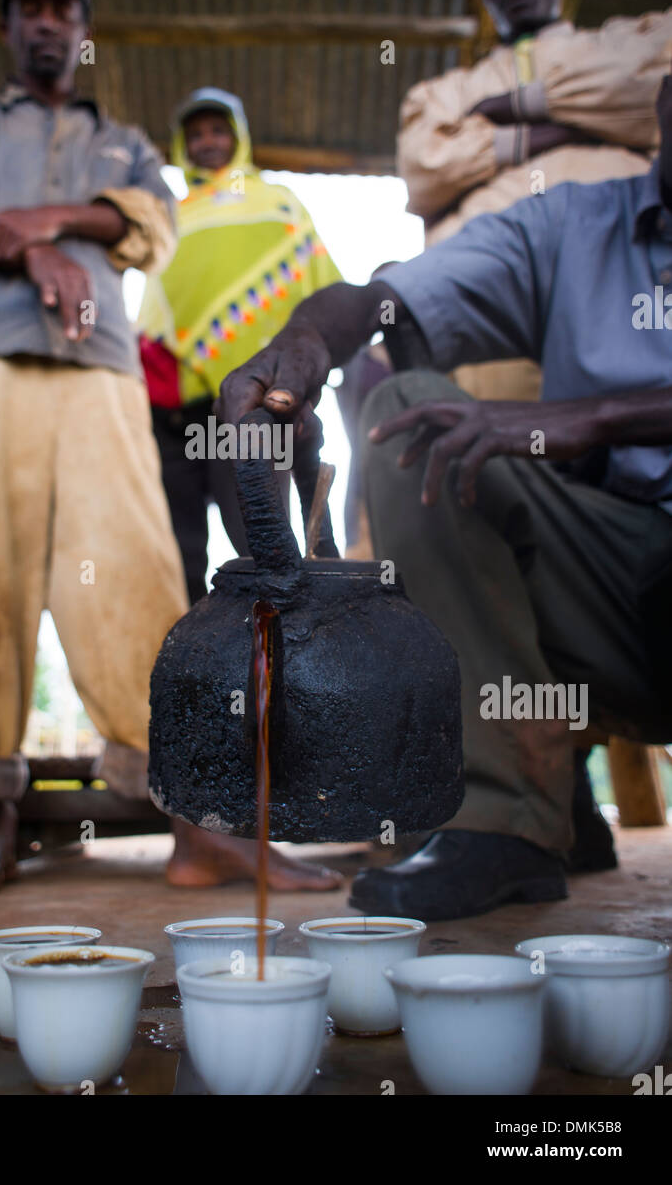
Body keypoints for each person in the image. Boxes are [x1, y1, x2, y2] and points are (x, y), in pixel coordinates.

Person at [0, 0, 339, 897]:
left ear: (82, 29)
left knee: (135, 570)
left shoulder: (129, 141)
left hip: (96, 370)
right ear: (10, 26)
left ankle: (197, 823)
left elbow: (150, 221)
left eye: (64, 7)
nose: (47, 21)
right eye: (29, 7)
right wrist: (37, 248)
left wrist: (32, 231)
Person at [218, 74, 672, 921]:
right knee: (410, 416)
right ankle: (510, 812)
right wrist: (301, 346)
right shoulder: (574, 224)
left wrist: (597, 416)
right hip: (620, 593)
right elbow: (386, 299)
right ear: (662, 104)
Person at [397, 0, 672, 402]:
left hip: (623, 275)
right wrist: (575, 126)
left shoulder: (633, 40)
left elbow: (648, 94)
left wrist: (517, 105)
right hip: (492, 303)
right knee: (491, 448)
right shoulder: (443, 90)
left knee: (635, 430)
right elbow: (426, 167)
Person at [137, 87, 342, 601]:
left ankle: (279, 668)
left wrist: (309, 361)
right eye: (196, 134)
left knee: (263, 541)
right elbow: (156, 307)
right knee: (180, 553)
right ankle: (199, 668)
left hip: (265, 397)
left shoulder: (280, 202)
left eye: (218, 129)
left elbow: (322, 288)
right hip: (187, 404)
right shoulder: (173, 214)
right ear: (183, 146)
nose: (207, 142)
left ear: (239, 136)